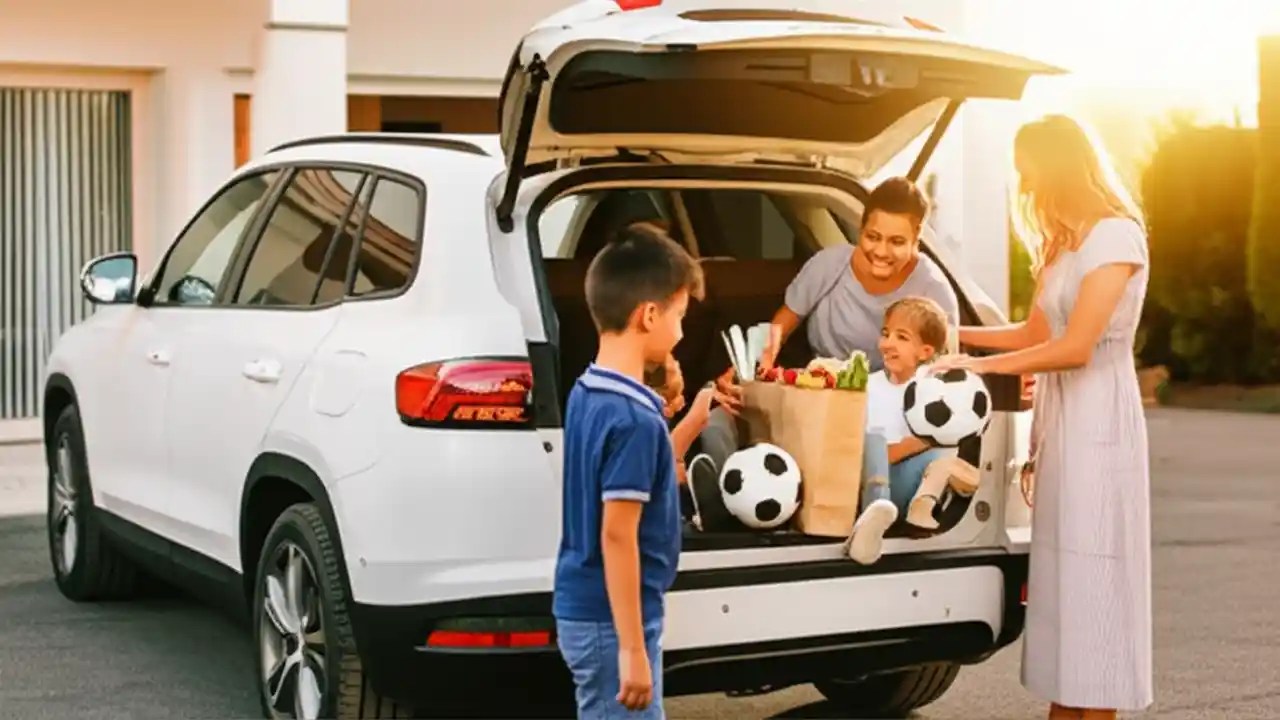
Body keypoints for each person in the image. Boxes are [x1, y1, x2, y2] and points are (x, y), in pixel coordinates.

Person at [930, 114, 1153, 720]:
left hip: (1100, 424)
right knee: (1065, 593)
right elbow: (1036, 331)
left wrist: (983, 372)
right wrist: (951, 336)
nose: (1024, 187)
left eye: (1029, 173)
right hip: (1062, 425)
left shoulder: (1115, 237)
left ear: (1055, 167)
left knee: (1096, 589)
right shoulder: (1064, 242)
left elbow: (1076, 346)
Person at [553, 223, 705, 718]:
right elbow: (618, 535)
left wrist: (669, 408)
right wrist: (633, 649)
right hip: (612, 621)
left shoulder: (589, 391)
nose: (682, 331)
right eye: (680, 315)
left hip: (590, 608)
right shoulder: (634, 420)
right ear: (650, 314)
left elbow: (622, 455)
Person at [738, 176, 961, 389]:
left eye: (897, 242)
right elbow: (780, 327)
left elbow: (942, 368)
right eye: (872, 237)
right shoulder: (828, 264)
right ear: (861, 229)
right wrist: (754, 371)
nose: (881, 252)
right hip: (819, 389)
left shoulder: (933, 290)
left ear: (917, 237)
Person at [846, 296, 980, 564]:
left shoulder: (936, 391)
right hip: (874, 482)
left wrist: (924, 444)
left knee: (945, 459)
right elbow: (868, 454)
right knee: (873, 445)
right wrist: (917, 443)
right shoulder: (868, 387)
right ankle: (873, 523)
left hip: (914, 484)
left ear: (926, 352)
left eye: (902, 337)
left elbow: (950, 438)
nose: (888, 343)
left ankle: (920, 507)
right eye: (886, 334)